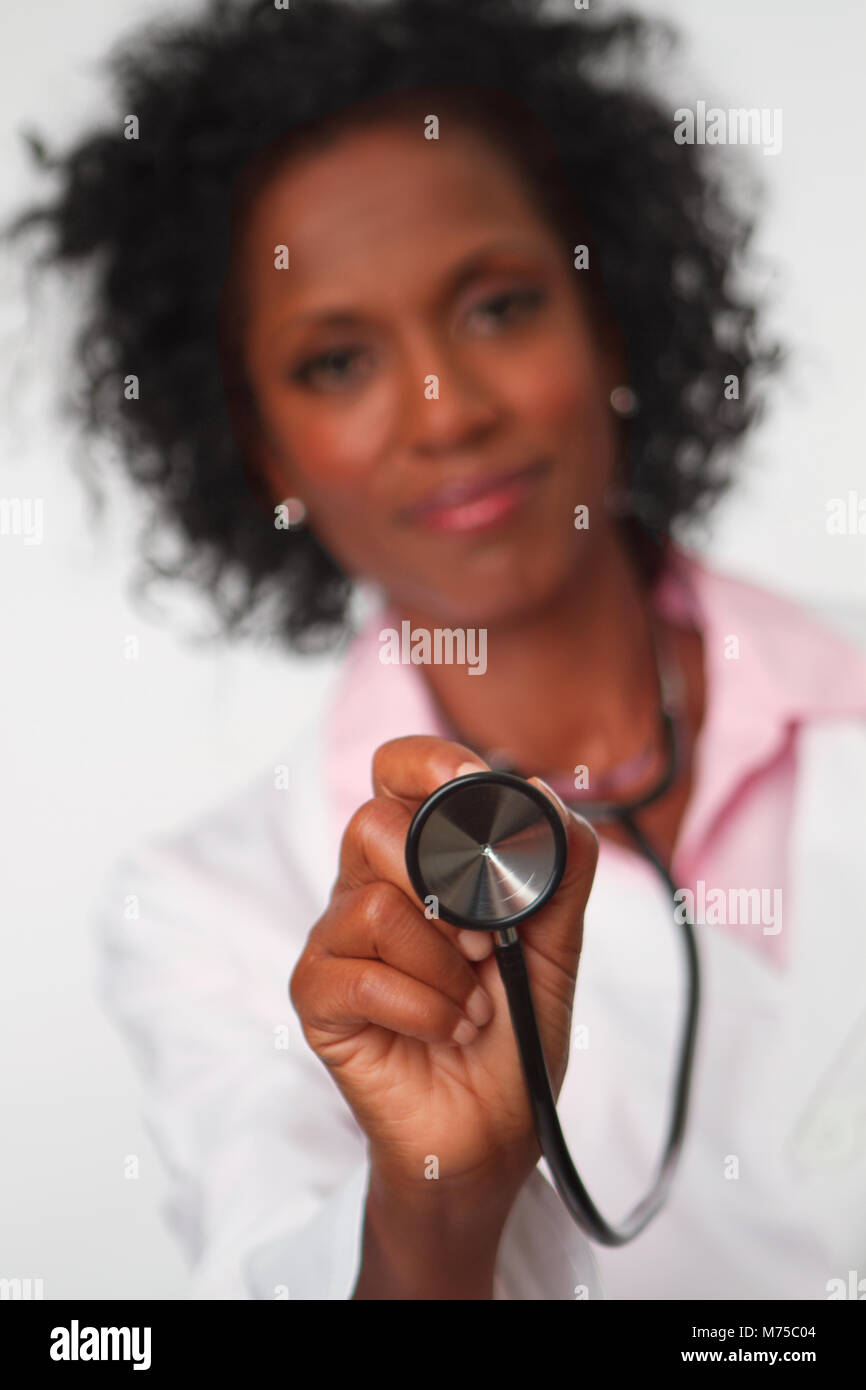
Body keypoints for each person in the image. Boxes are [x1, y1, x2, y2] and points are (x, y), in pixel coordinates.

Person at [14, 0, 866, 1300]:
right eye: (339, 359)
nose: (447, 411)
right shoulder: (209, 912)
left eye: (498, 306)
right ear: (258, 449)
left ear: (609, 317)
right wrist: (439, 1208)